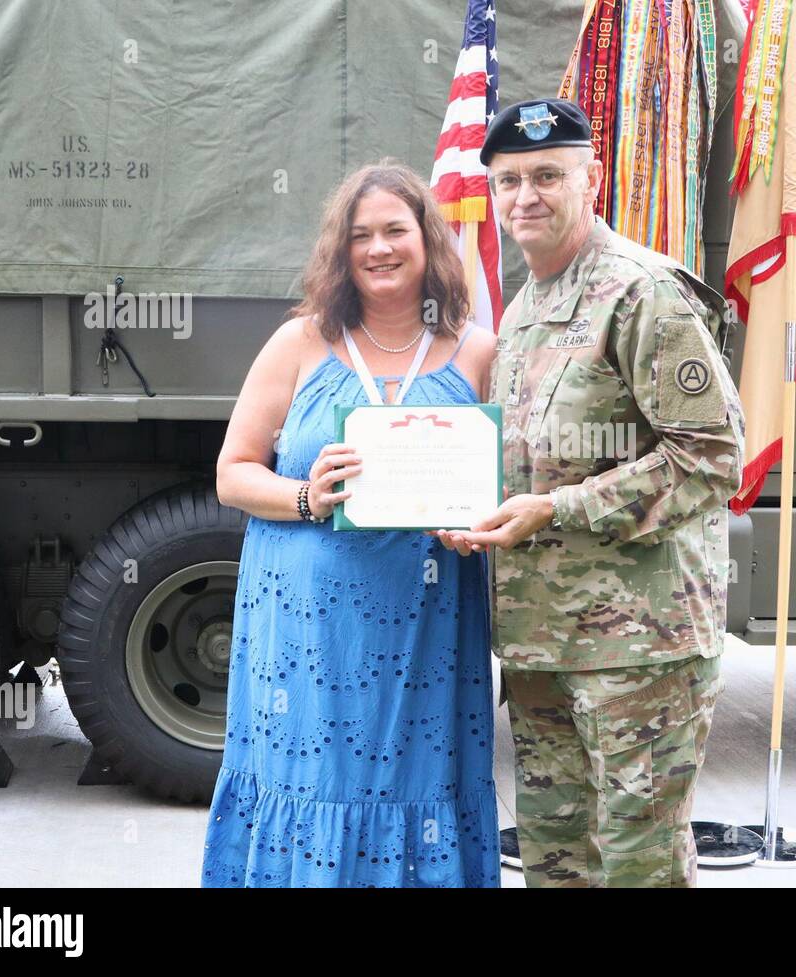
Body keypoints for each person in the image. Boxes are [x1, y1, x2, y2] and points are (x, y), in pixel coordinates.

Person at [434, 99, 745, 888]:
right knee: (556, 862)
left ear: (592, 179)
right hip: (544, 644)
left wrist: (558, 509)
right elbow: (530, 464)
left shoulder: (643, 293)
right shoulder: (531, 303)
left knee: (639, 866)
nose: (524, 197)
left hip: (640, 650)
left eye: (547, 175)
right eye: (508, 181)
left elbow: (711, 457)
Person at [201, 160, 500, 887]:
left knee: (416, 783)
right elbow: (232, 472)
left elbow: (501, 484)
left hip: (426, 626)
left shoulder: (478, 352)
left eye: (396, 230)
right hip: (307, 631)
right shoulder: (298, 343)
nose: (379, 248)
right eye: (361, 235)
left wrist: (475, 526)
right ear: (342, 251)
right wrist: (308, 494)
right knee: (309, 780)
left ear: (428, 240)